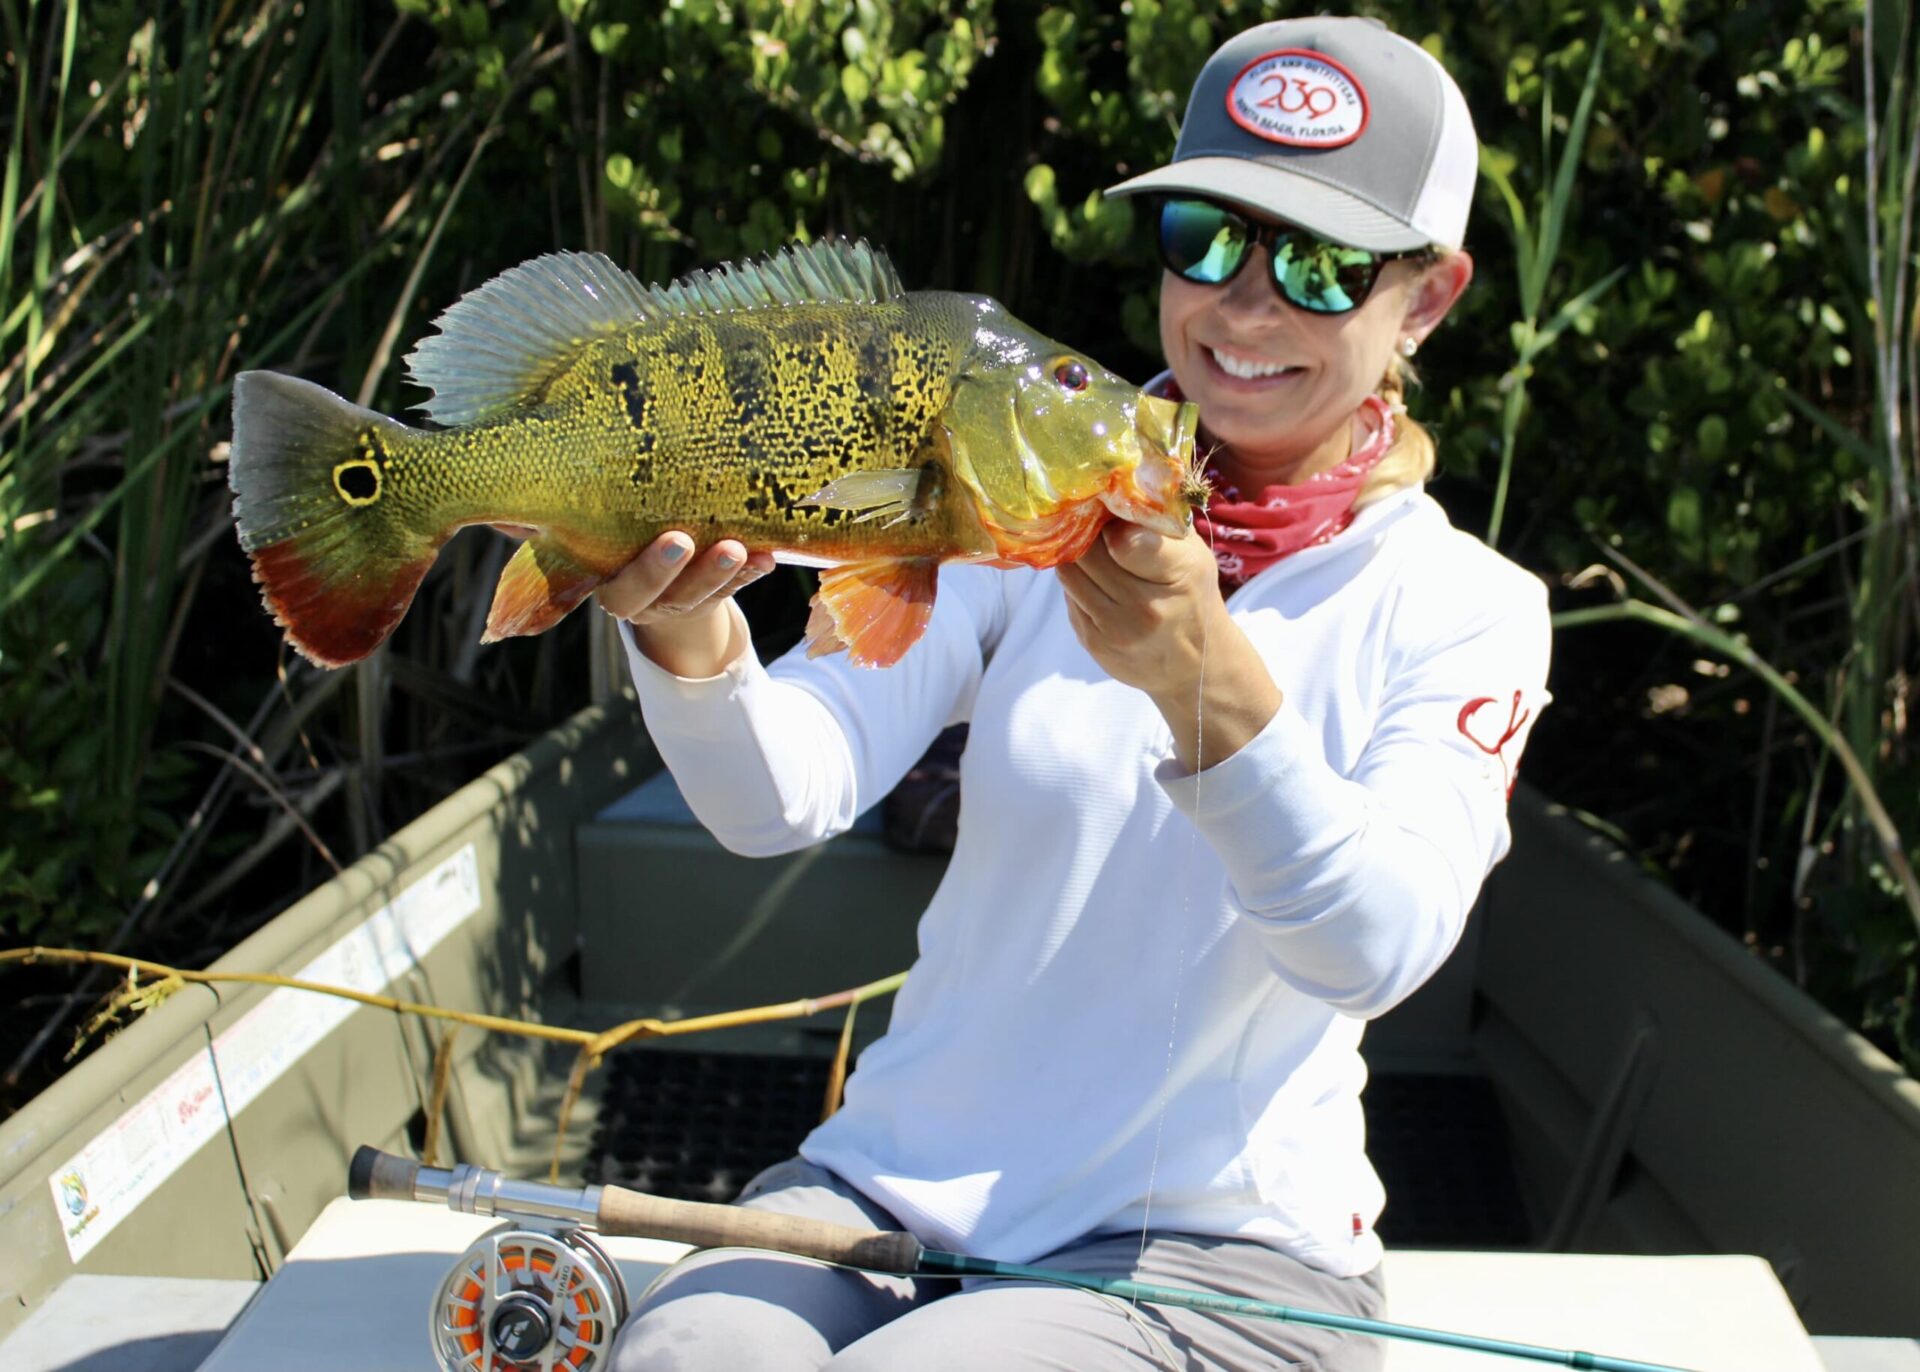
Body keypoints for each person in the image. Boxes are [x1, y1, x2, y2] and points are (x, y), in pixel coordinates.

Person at [599, 15, 1549, 1371]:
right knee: (679, 1359)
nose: (1243, 304)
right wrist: (688, 638)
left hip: (1213, 1251)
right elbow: (781, 796)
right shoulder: (1022, 480)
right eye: (1205, 238)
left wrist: (1204, 687)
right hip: (888, 1187)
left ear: (1430, 298)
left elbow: (1376, 950)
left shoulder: (1467, 608)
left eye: (1324, 264)